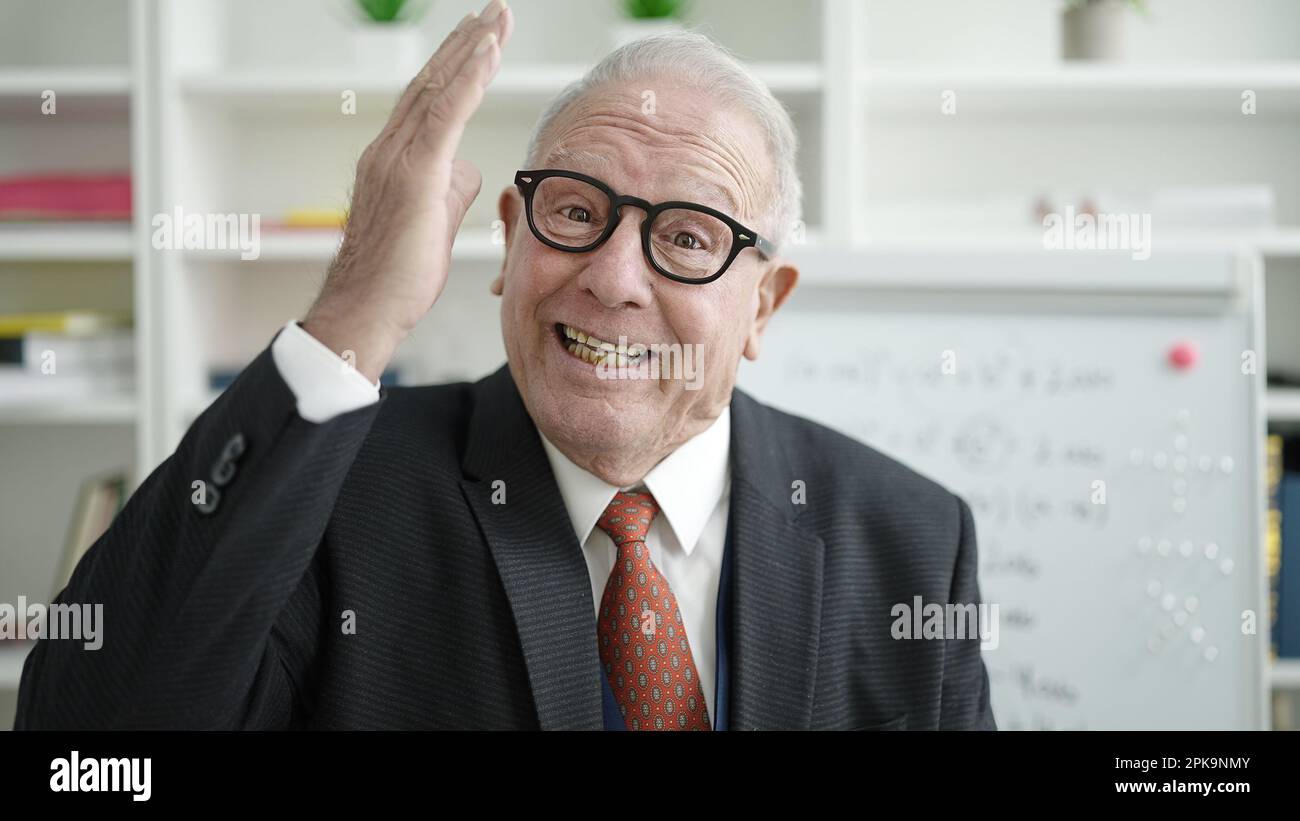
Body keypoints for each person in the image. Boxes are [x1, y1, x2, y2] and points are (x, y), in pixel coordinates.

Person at [16, 0, 995, 730]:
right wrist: (353, 310)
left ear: (762, 305)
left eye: (688, 236)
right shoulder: (332, 488)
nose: (613, 278)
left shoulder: (911, 537)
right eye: (574, 211)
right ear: (510, 237)